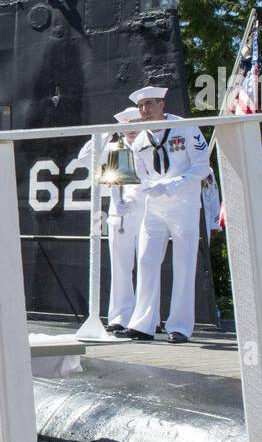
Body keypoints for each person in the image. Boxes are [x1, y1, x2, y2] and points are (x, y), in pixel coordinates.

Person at [121, 85, 212, 343]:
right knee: (147, 261)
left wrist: (171, 185)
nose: (144, 110)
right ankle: (143, 323)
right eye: (140, 106)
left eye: (149, 104)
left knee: (184, 263)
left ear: (162, 105)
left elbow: (202, 168)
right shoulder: (139, 140)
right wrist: (131, 199)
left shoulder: (186, 128)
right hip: (155, 206)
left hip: (183, 203)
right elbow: (139, 178)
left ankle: (180, 326)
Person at [76, 107, 145, 333]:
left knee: (147, 267)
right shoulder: (114, 148)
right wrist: (106, 133)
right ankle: (120, 316)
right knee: (121, 267)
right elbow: (85, 158)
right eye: (127, 124)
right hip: (120, 214)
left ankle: (146, 318)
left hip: (147, 212)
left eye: (135, 122)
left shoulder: (151, 145)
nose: (132, 128)